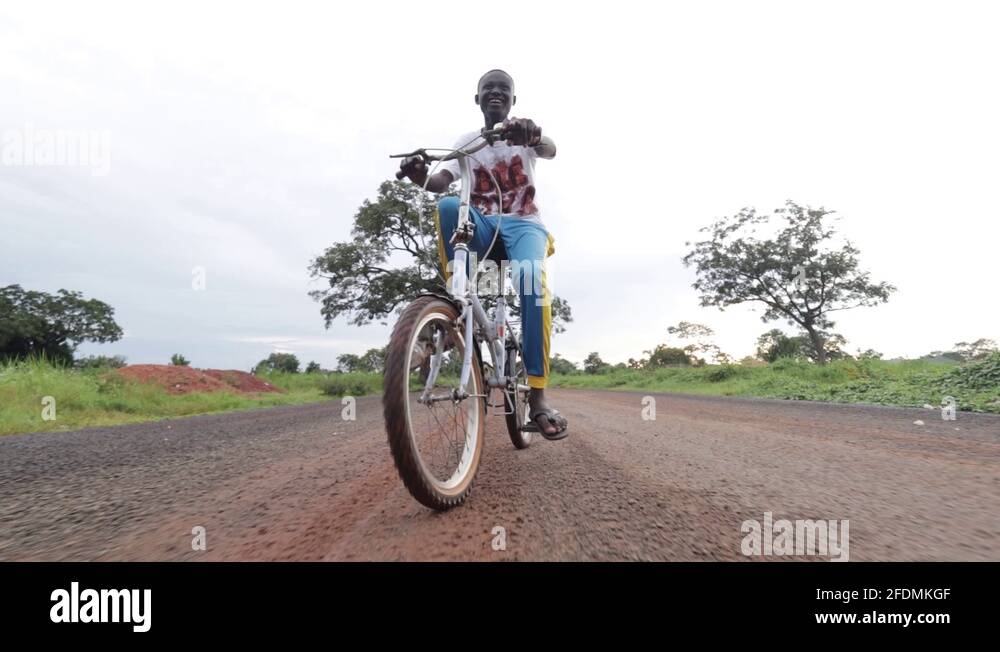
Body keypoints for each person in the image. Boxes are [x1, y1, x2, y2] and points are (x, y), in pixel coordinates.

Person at [398, 69, 568, 440]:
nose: (496, 92)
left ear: (512, 100)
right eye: (488, 88)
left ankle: (538, 399)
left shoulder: (523, 132)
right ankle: (451, 299)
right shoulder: (466, 141)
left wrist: (532, 134)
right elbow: (442, 182)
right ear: (477, 99)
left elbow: (550, 149)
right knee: (446, 208)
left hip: (524, 225)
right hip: (484, 228)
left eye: (503, 89)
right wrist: (419, 175)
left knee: (530, 284)